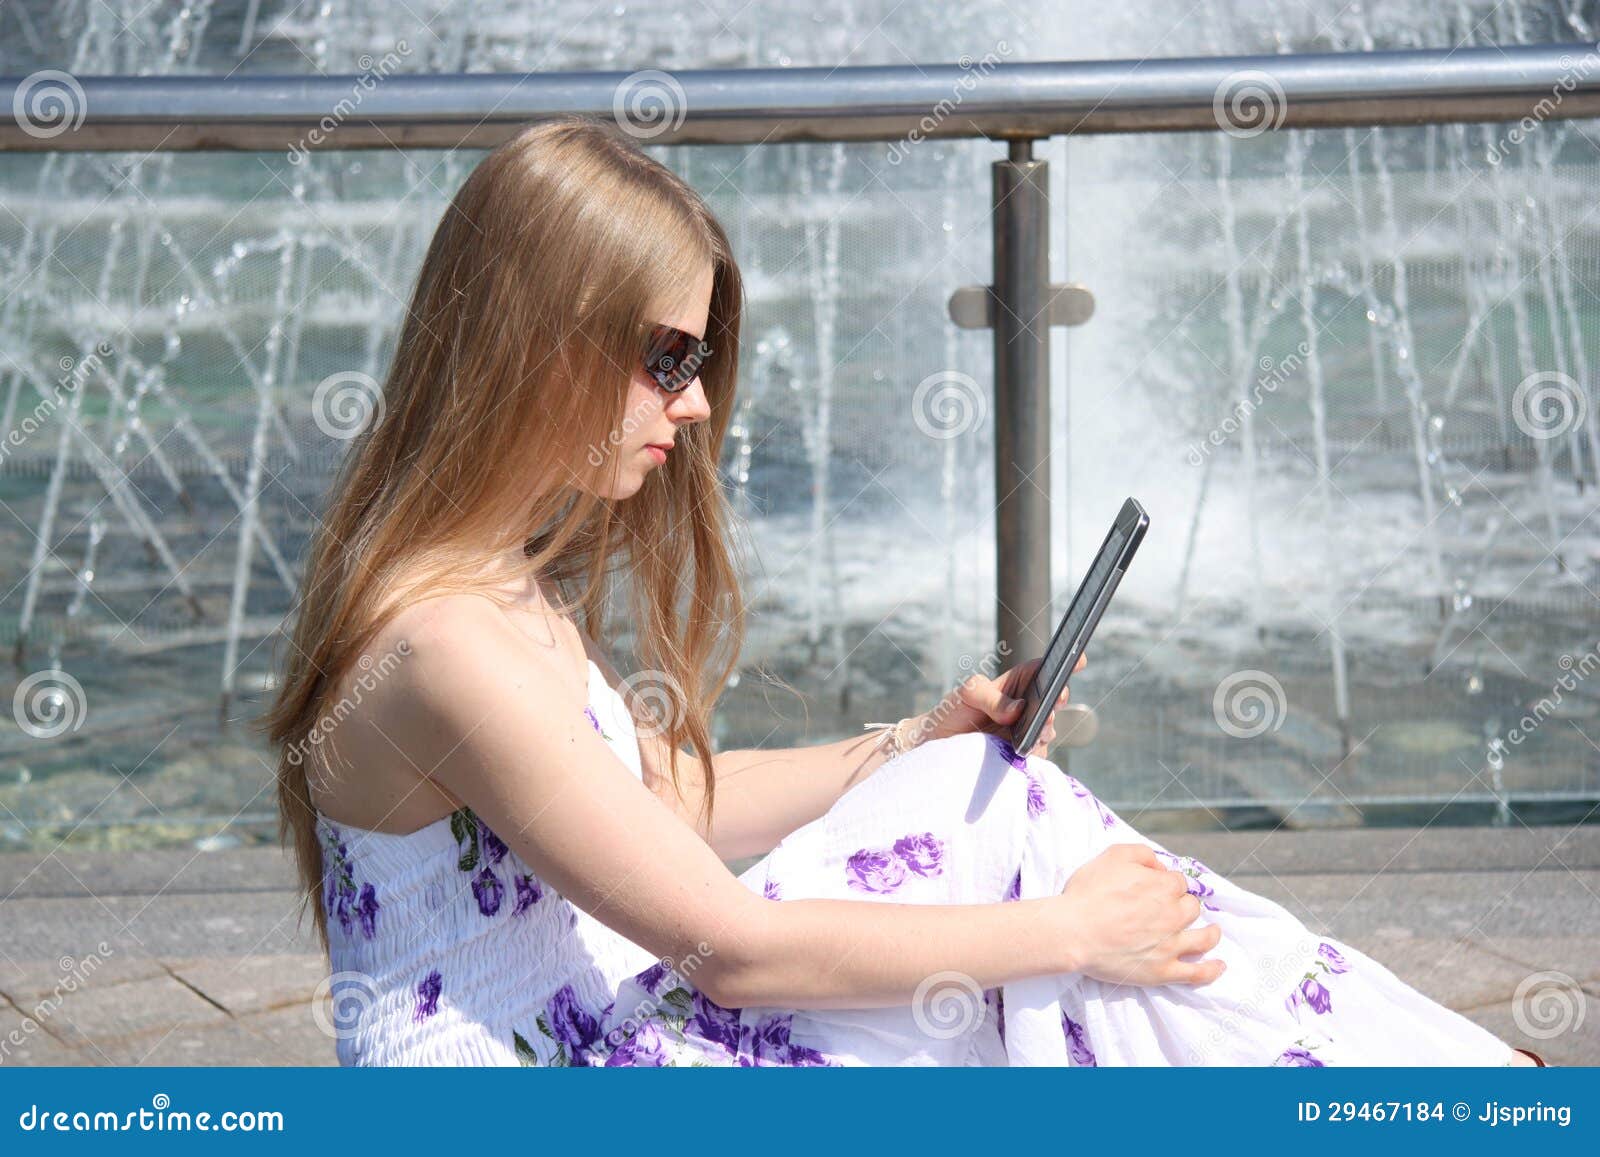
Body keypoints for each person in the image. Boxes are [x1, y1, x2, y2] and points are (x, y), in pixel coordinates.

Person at [264, 115, 1544, 1068]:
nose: (698, 401)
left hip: (605, 1044)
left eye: (699, 358)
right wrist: (1068, 932)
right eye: (667, 357)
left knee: (983, 792)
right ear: (537, 343)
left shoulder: (488, 592)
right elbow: (733, 950)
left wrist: (911, 741)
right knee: (1047, 908)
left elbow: (654, 800)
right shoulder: (443, 644)